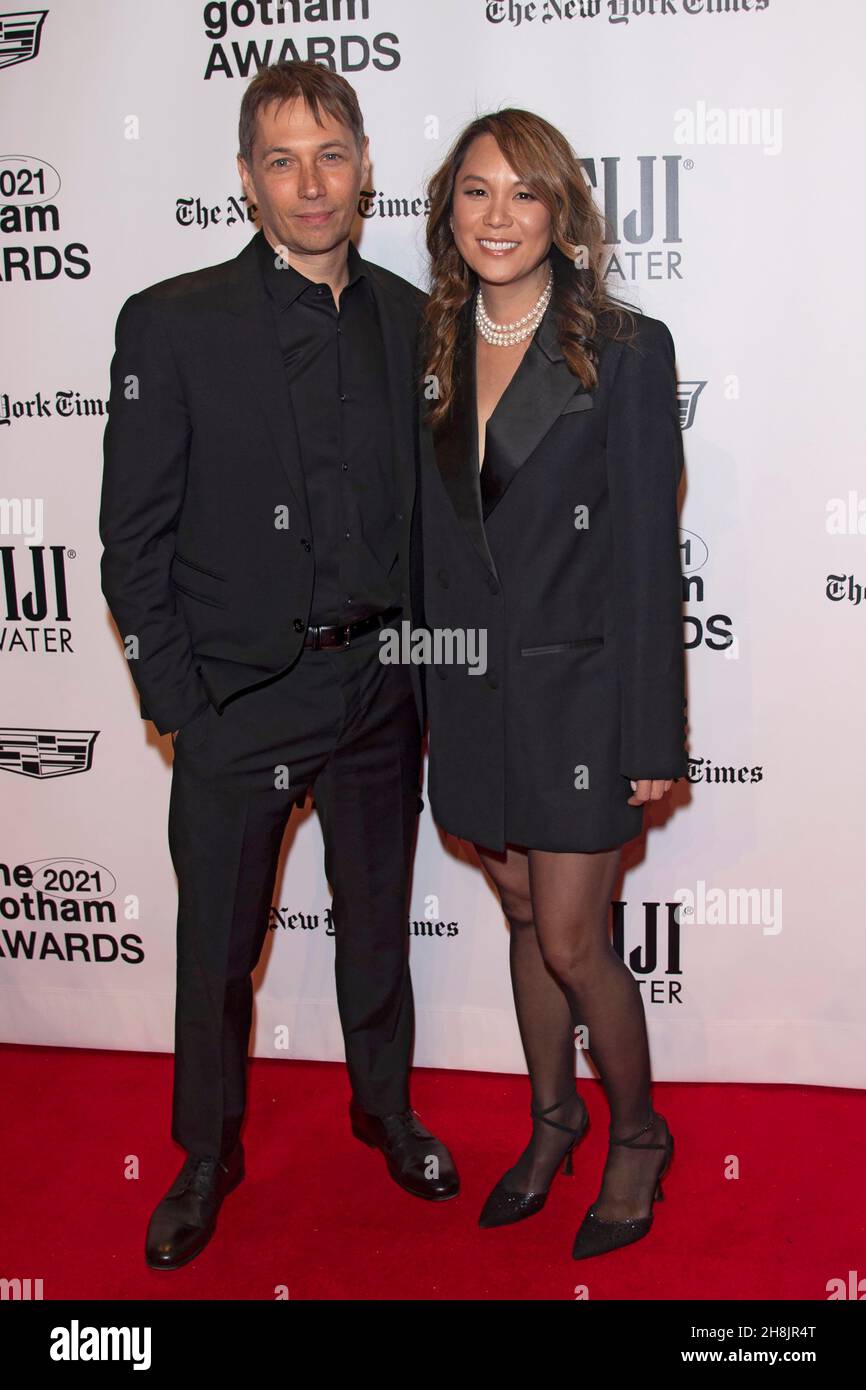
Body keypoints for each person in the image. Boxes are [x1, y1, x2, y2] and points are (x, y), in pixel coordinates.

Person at [99, 60, 458, 1273]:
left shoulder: (416, 319)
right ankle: (205, 1154)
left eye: (331, 155)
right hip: (238, 702)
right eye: (281, 159)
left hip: (377, 692)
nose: (310, 184)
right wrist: (180, 711)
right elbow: (131, 538)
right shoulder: (171, 321)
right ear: (245, 179)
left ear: (363, 166)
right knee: (217, 948)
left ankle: (383, 1105)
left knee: (375, 927)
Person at [418, 109, 687, 1259]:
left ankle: (636, 1136)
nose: (496, 215)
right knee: (523, 911)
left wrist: (649, 736)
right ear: (447, 212)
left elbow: (640, 557)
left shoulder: (621, 347)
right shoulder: (426, 345)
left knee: (574, 937)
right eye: (474, 191)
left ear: (560, 213)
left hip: (581, 700)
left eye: (522, 193)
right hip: (473, 699)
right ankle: (551, 1121)